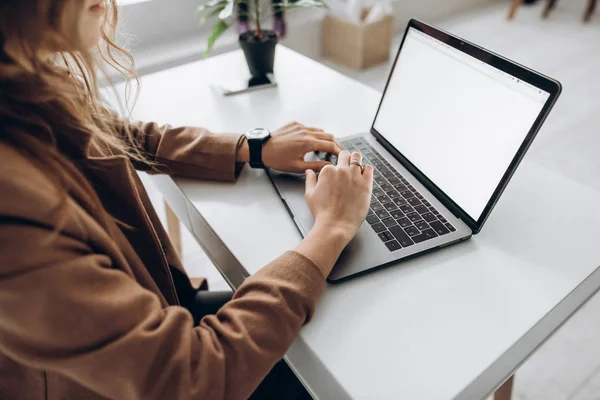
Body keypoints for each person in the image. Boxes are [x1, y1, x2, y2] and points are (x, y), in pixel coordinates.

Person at [0, 1, 373, 399]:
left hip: (160, 312)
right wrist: (330, 228)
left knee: (343, 323)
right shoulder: (13, 210)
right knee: (351, 362)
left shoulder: (27, 83)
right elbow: (192, 376)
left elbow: (128, 136)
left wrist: (253, 147)